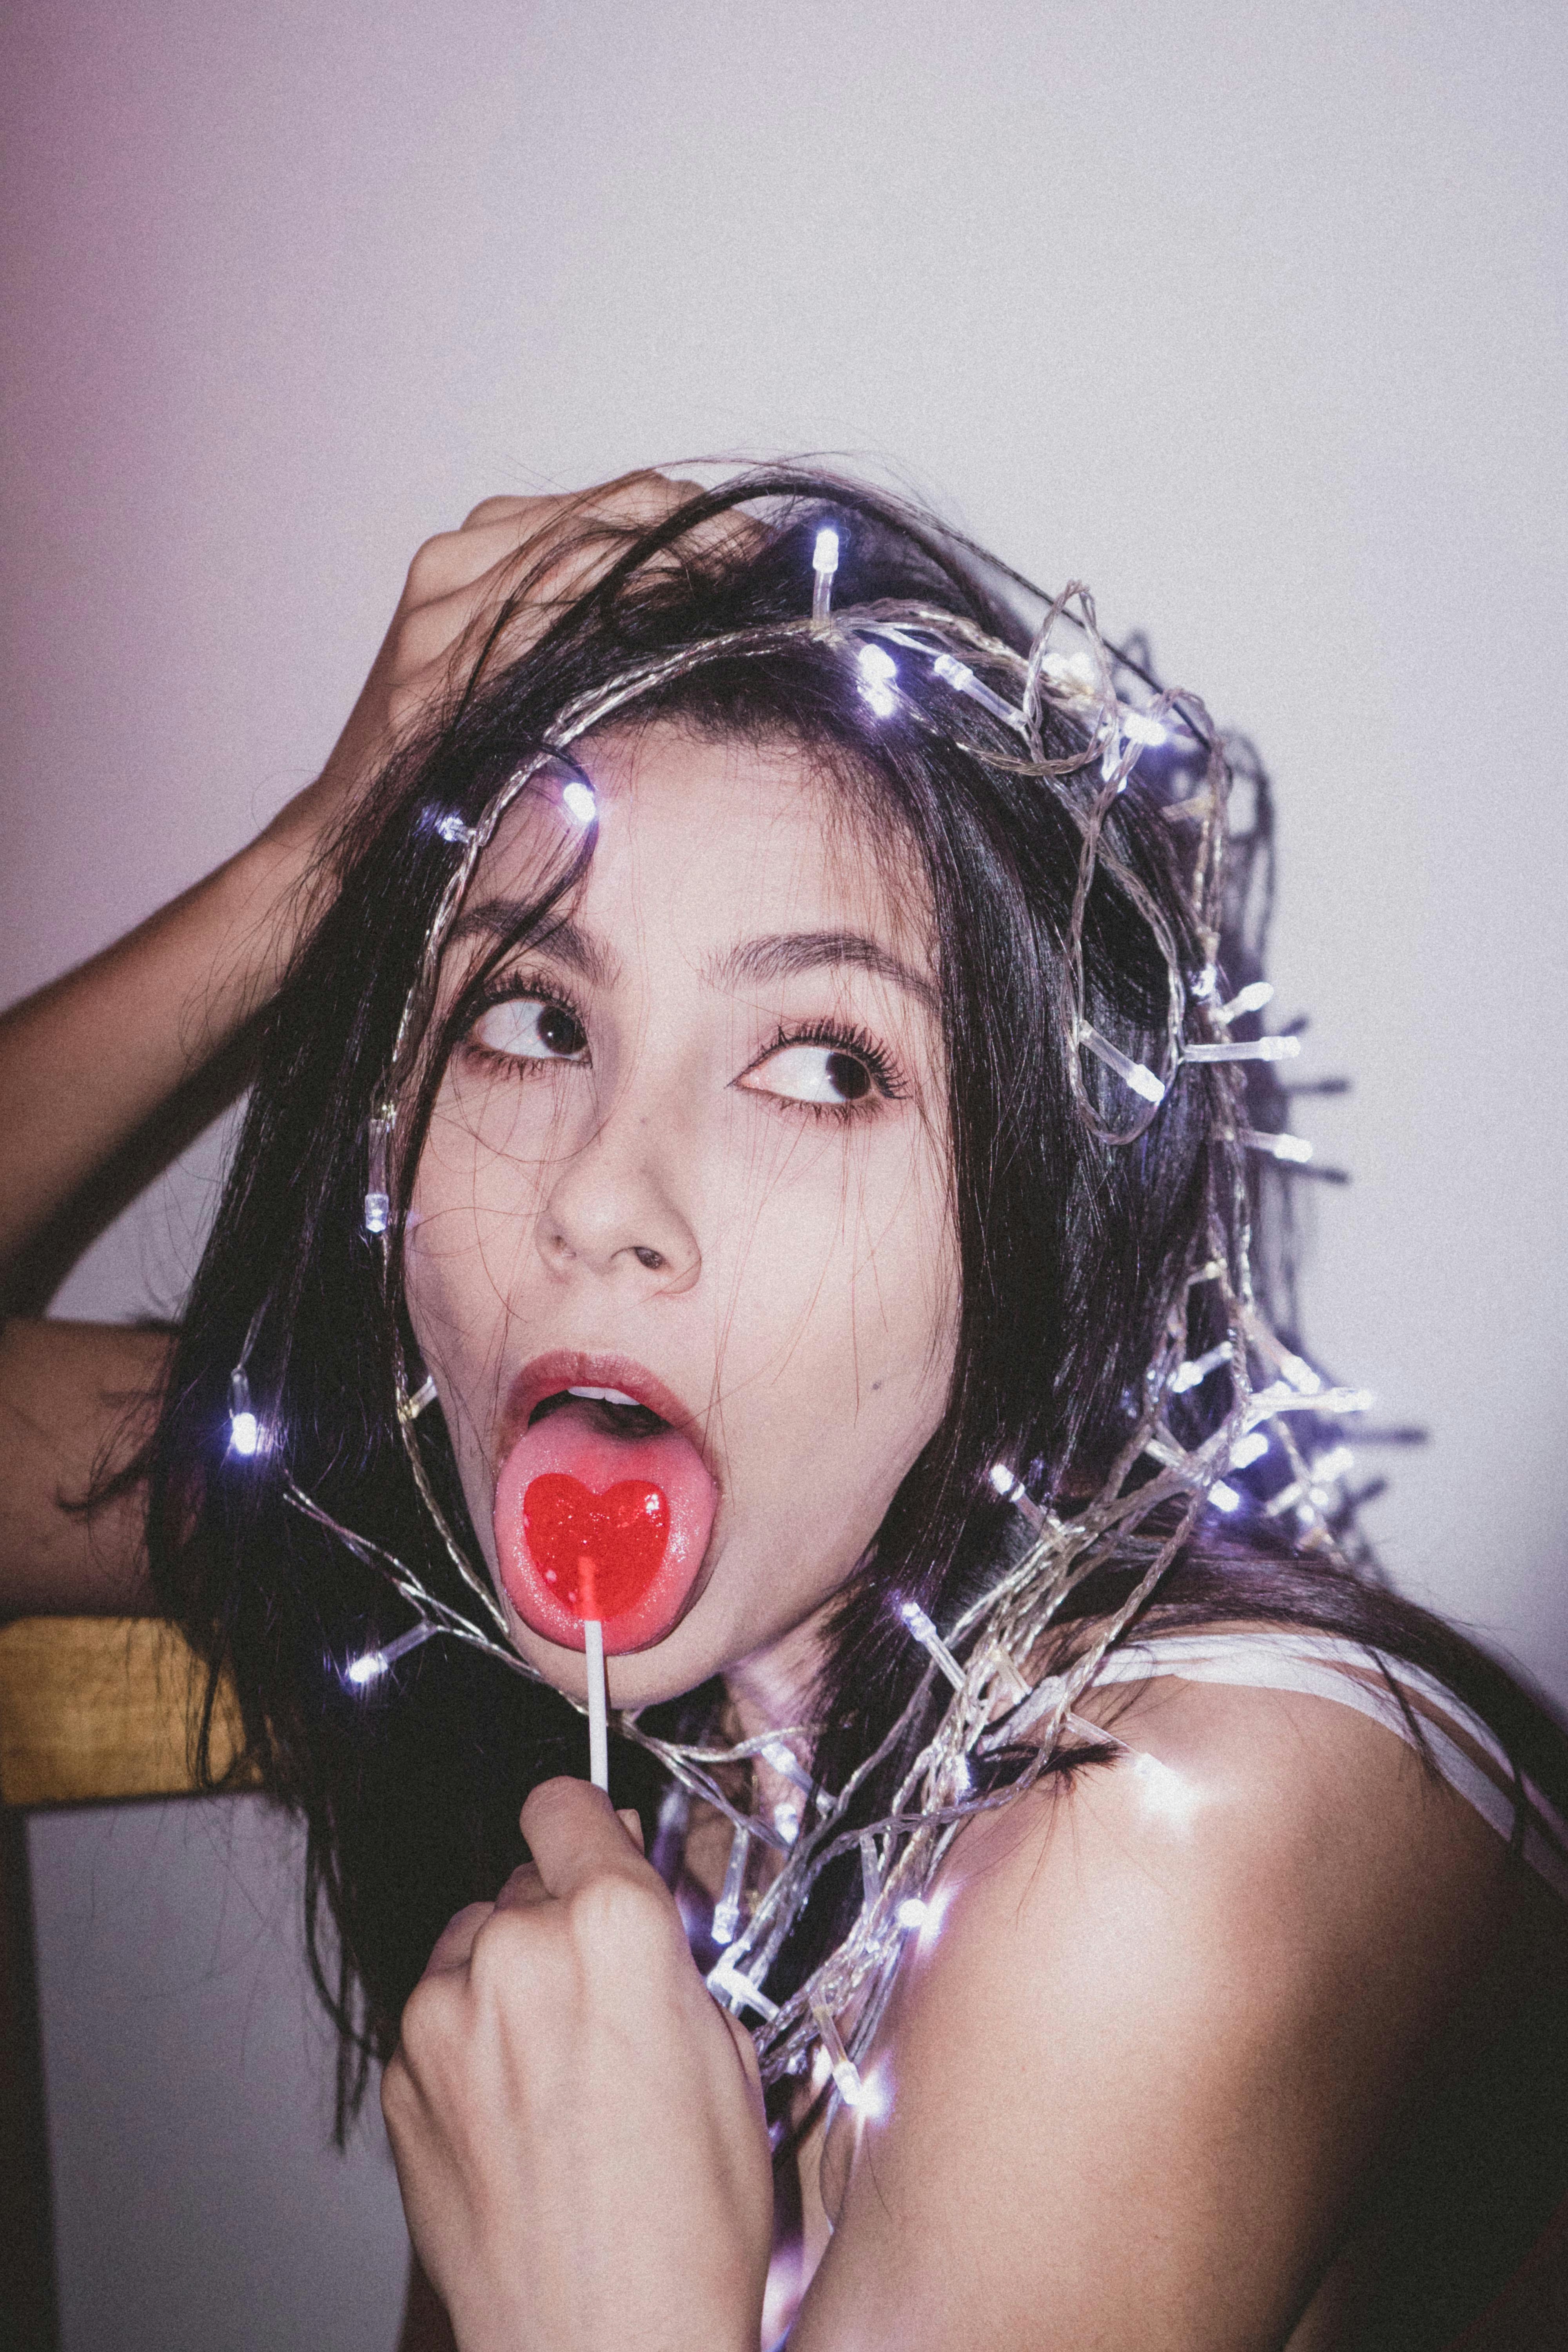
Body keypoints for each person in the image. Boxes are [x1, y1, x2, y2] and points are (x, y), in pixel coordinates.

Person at [2, 468, 1566, 2352]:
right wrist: (315, 864)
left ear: (1027, 1216)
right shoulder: (513, 1534)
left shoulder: (1157, 1841)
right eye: (532, 1017)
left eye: (825, 1065)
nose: (598, 1196)